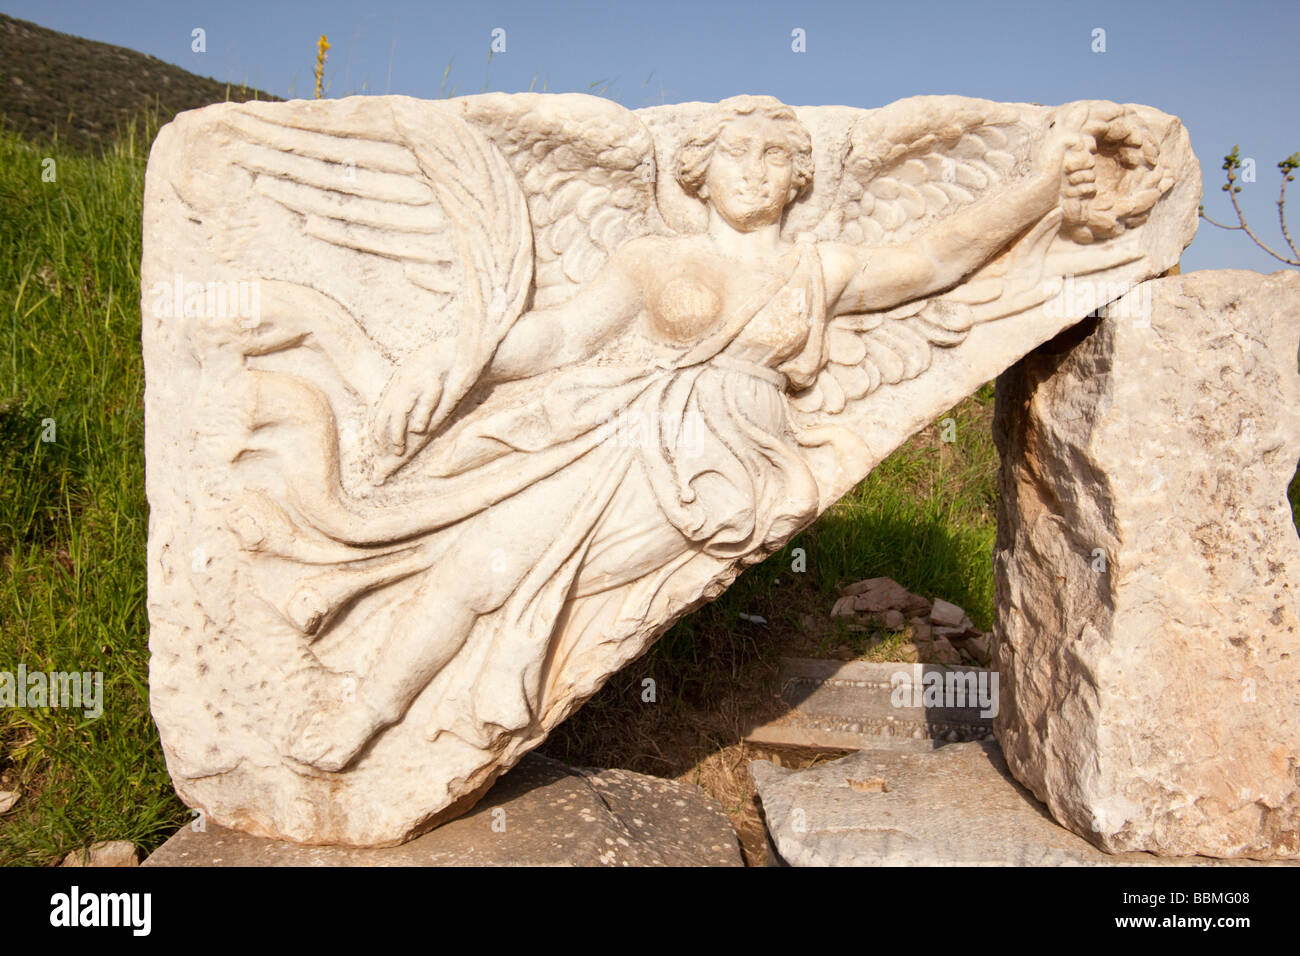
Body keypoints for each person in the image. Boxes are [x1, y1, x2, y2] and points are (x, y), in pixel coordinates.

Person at [252, 95, 1084, 770]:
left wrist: (1042, 189)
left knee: (536, 578)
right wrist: (462, 356)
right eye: (736, 153)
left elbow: (938, 261)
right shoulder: (652, 258)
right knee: (480, 564)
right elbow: (563, 338)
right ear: (700, 170)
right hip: (615, 433)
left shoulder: (817, 270)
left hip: (728, 472)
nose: (756, 172)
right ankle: (369, 715)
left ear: (799, 179)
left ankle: (437, 710)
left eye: (775, 157)